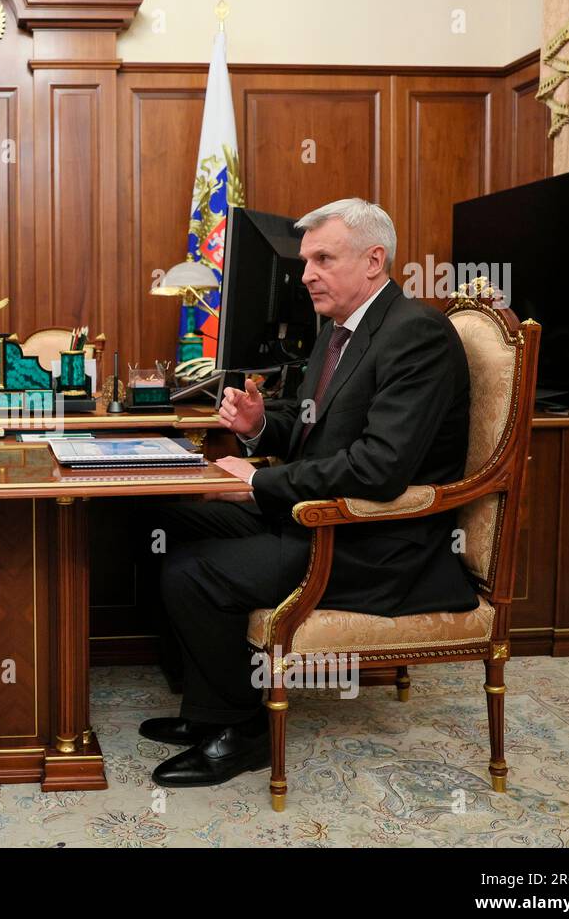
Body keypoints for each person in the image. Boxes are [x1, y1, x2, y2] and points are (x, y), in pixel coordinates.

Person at [142, 198, 478, 788]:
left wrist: (259, 481)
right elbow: (311, 428)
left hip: (376, 539)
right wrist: (258, 427)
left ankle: (241, 734)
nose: (306, 275)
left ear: (374, 261)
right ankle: (206, 712)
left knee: (192, 573)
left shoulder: (416, 335)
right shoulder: (339, 332)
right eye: (304, 262)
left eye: (323, 258)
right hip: (317, 516)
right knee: (166, 527)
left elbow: (379, 469)